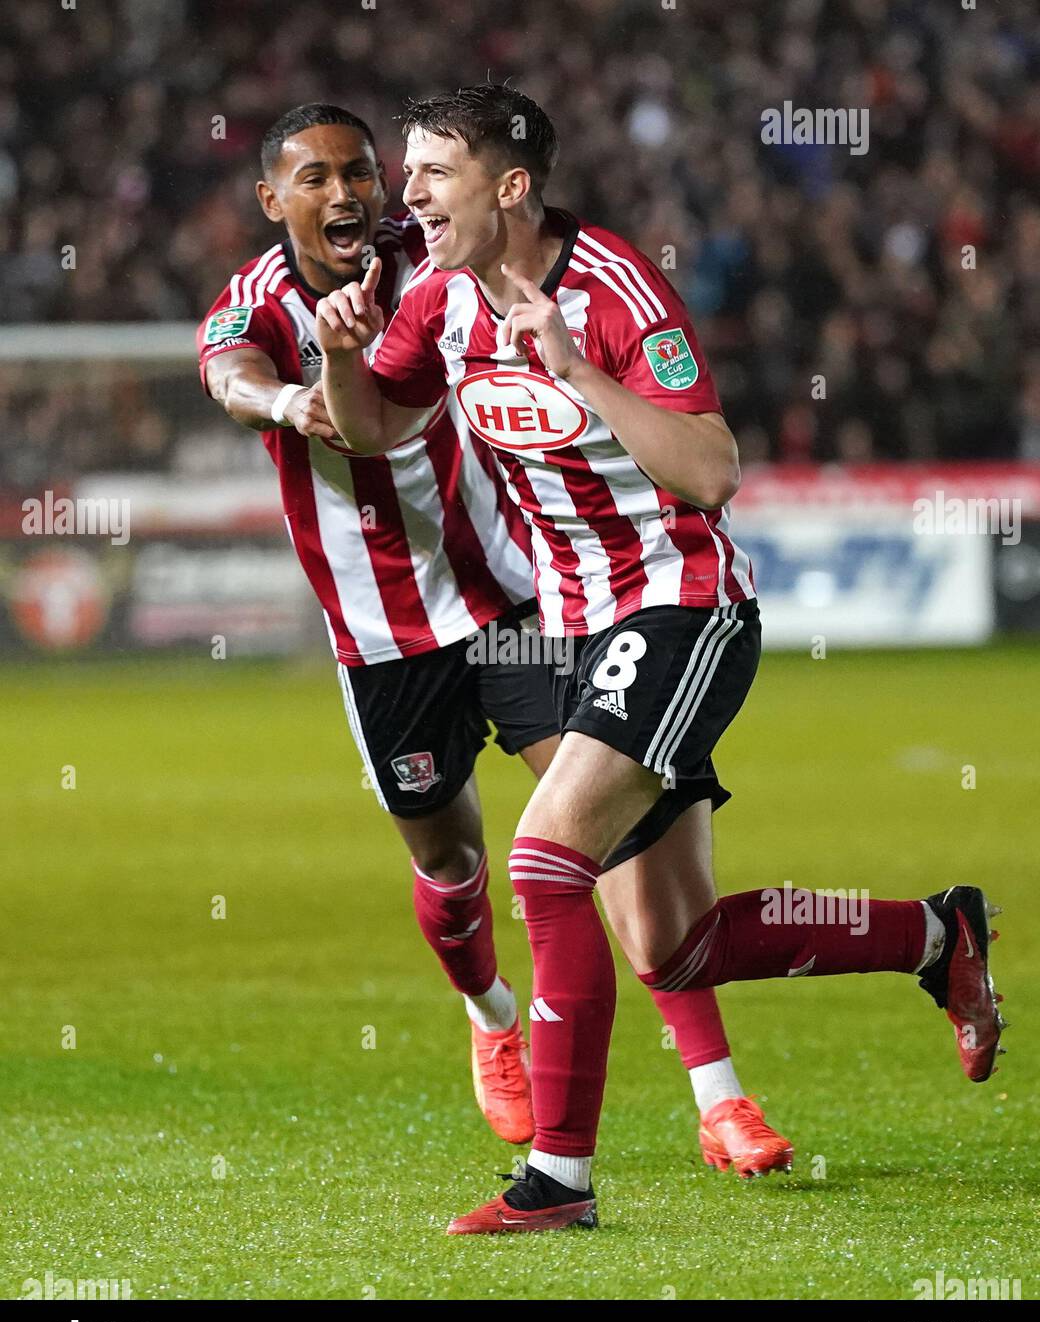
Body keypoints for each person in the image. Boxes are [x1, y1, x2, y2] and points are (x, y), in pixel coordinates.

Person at [316, 83, 1009, 1234]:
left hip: (682, 609)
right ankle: (937, 934)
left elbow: (711, 471)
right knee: (674, 945)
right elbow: (375, 425)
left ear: (511, 185)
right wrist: (342, 359)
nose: (410, 193)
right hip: (570, 627)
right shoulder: (434, 297)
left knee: (540, 866)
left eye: (434, 171)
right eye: (411, 169)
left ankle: (557, 1183)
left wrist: (574, 371)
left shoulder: (612, 289)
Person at [198, 103, 794, 1176]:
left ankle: (718, 1097)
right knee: (453, 860)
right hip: (383, 637)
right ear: (271, 199)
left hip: (513, 604)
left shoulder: (430, 258)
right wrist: (291, 399)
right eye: (316, 179)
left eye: (364, 174)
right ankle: (488, 1015)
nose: (351, 194)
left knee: (603, 845)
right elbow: (229, 372)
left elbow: (685, 446)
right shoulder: (261, 300)